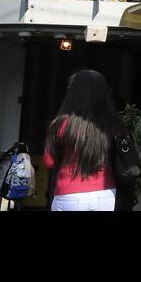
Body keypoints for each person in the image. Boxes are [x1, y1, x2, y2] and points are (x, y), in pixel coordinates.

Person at [44, 69, 122, 211]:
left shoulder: (60, 124)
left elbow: (49, 162)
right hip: (105, 194)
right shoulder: (113, 124)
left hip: (68, 193)